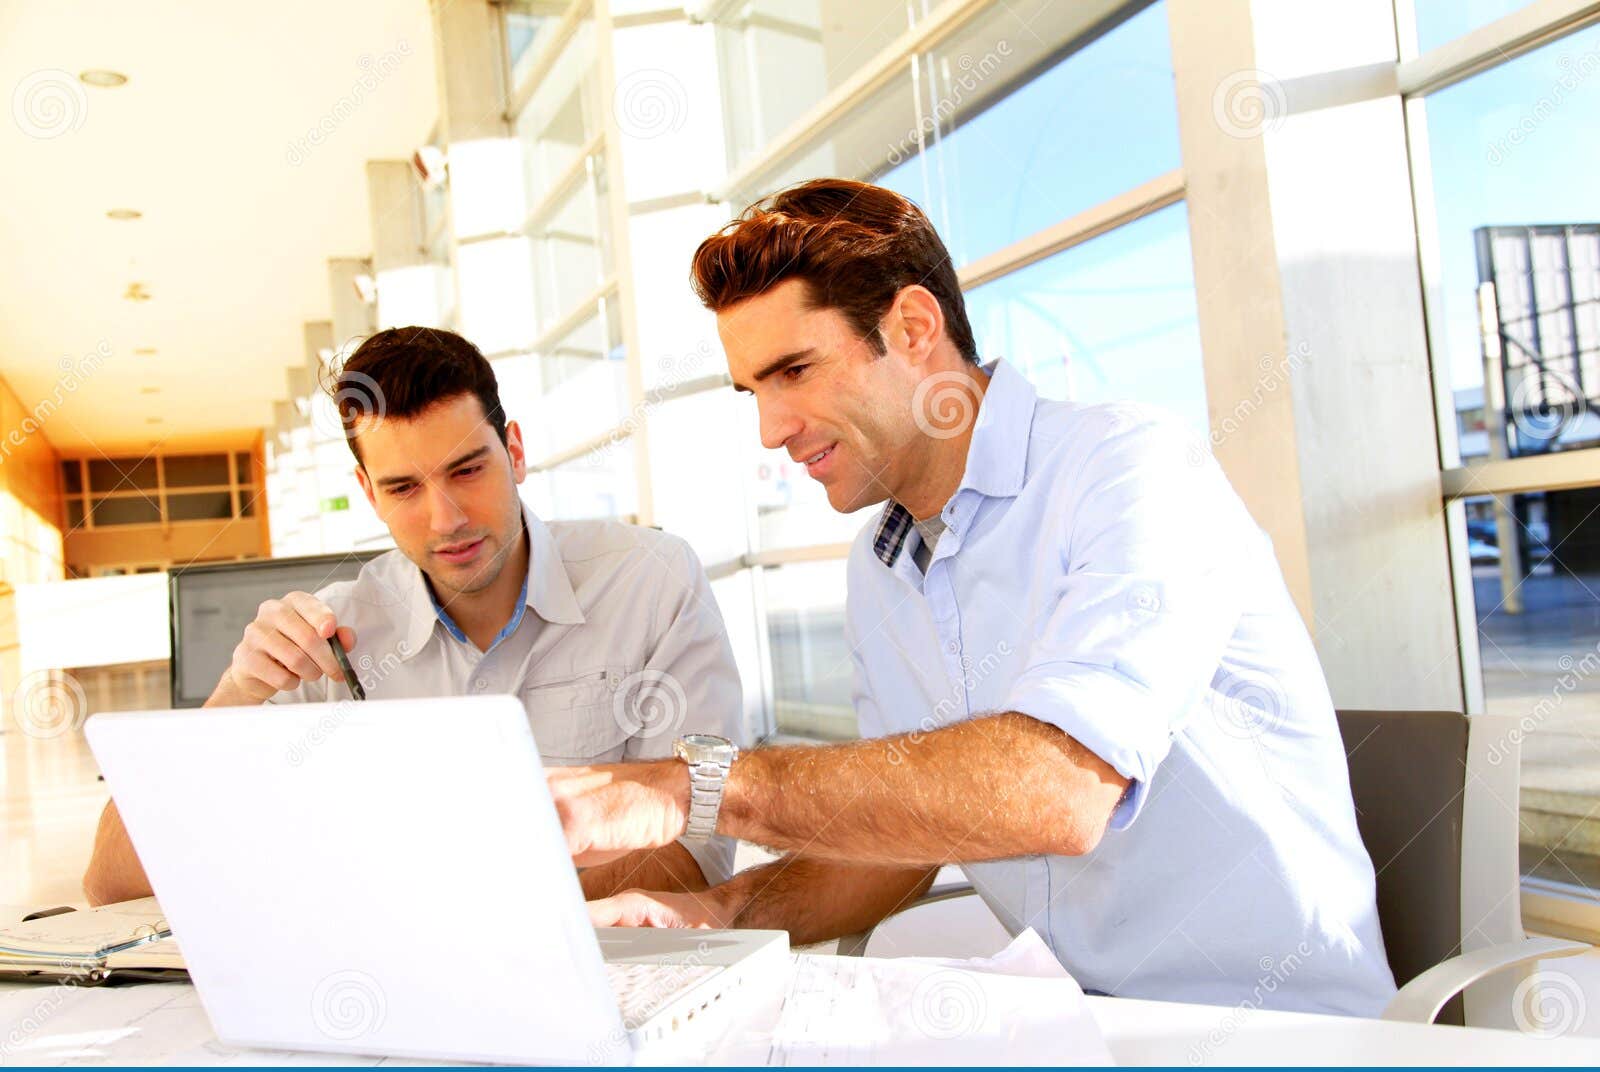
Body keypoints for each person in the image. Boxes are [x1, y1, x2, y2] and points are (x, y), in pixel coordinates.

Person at [553, 179, 1398, 1016]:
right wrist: (719, 911)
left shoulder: (1127, 470)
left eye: (794, 371)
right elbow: (896, 846)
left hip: (1279, 1044)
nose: (771, 429)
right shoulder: (878, 569)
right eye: (754, 391)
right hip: (1080, 1032)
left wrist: (693, 786)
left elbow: (1059, 789)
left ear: (914, 328)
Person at [83, 326, 741, 907]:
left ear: (514, 451)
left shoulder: (650, 582)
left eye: (467, 470)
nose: (445, 518)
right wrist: (234, 697)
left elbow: (694, 855)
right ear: (369, 493)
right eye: (404, 487)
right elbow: (109, 879)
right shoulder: (331, 636)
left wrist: (417, 898)